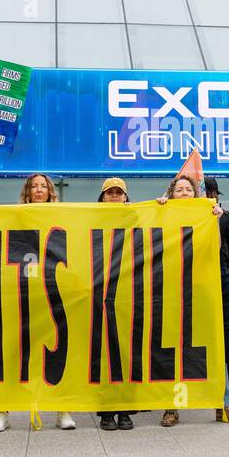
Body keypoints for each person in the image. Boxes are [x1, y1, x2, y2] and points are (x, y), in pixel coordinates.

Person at [0, 173, 78, 433]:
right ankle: (3, 411)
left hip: (54, 292)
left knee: (57, 351)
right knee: (16, 352)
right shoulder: (17, 217)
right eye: (34, 186)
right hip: (22, 292)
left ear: (51, 192)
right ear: (27, 192)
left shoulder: (63, 220)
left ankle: (62, 409)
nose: (39, 190)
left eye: (44, 186)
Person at [160, 174, 229, 426]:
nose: (184, 193)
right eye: (179, 189)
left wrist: (215, 220)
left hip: (205, 288)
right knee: (173, 346)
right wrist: (157, 209)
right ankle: (171, 406)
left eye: (188, 189)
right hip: (174, 289)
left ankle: (223, 403)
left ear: (196, 195)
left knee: (215, 344)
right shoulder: (163, 213)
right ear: (171, 194)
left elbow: (218, 248)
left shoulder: (210, 215)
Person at [94, 177, 137, 432]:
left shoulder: (135, 219)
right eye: (109, 193)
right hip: (100, 295)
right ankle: (106, 411)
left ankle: (125, 409)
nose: (114, 196)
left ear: (125, 197)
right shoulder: (91, 221)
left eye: (118, 193)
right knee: (102, 353)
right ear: (102, 197)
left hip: (128, 295)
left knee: (126, 351)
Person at [205, 175, 229, 402]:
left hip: (219, 278)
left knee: (226, 332)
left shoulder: (224, 220)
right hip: (212, 279)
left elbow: (223, 249)